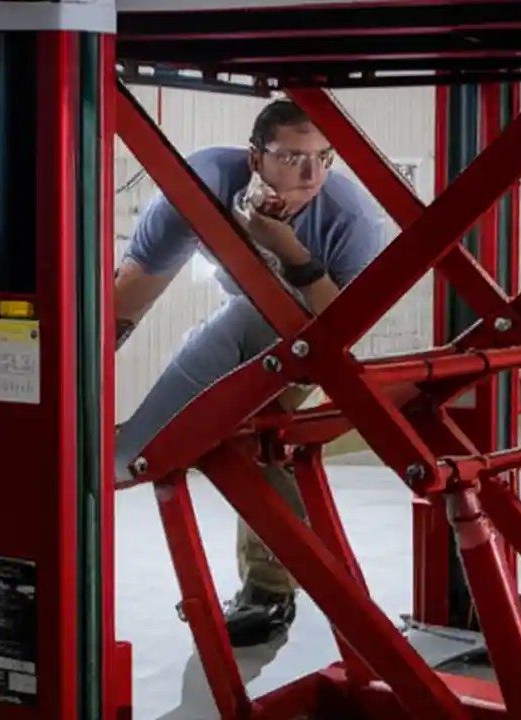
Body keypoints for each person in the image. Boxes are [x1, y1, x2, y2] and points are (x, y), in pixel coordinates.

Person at [112, 98, 383, 648]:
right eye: (293, 157)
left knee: (258, 440)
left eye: (324, 157)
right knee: (225, 380)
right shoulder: (203, 182)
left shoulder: (351, 218)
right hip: (244, 317)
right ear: (256, 157)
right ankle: (122, 458)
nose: (312, 174)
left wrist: (290, 250)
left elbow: (341, 330)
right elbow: (128, 299)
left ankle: (269, 587)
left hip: (312, 330)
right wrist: (68, 387)